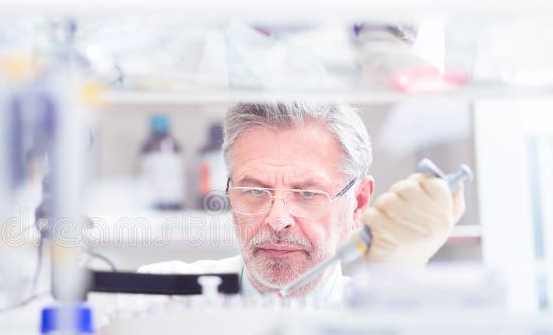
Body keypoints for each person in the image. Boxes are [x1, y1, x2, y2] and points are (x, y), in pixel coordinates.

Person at [138, 102, 466, 301]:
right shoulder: (161, 297)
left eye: (307, 193)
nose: (277, 219)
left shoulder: (376, 315)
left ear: (357, 202)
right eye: (255, 191)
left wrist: (400, 276)